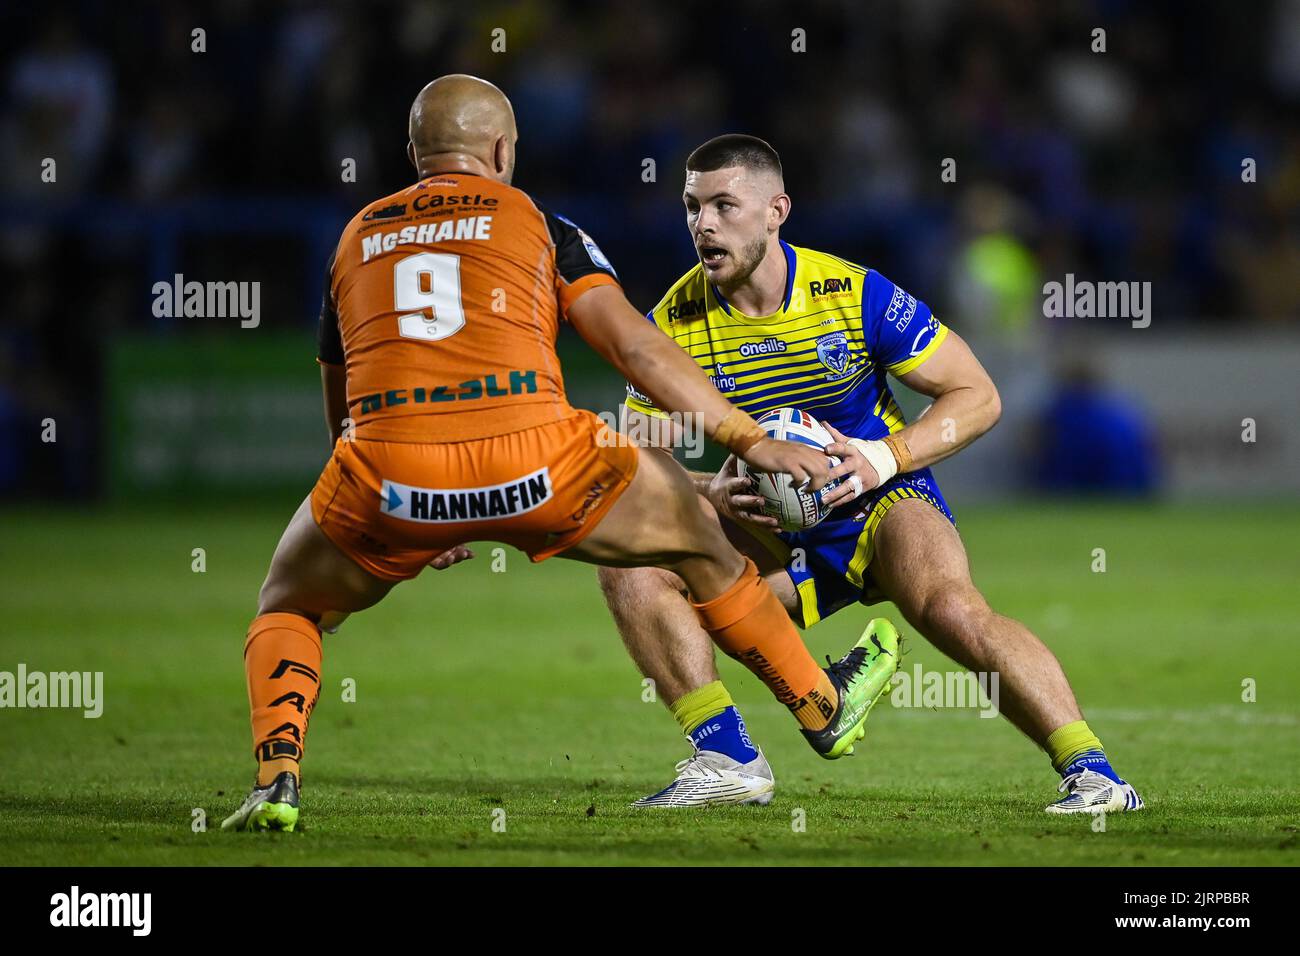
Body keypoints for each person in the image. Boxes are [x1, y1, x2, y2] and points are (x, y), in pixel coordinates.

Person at [222, 80, 896, 832]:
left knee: (287, 603)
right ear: (503, 151)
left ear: (414, 155)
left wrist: (397, 506)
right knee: (700, 540)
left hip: (388, 471)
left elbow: (339, 382)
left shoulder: (354, 236)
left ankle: (275, 779)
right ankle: (819, 704)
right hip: (539, 460)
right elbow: (634, 345)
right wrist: (749, 438)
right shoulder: (538, 222)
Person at [599, 134, 1144, 814]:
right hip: (770, 529)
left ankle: (1096, 775)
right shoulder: (674, 323)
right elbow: (634, 455)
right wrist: (709, 488)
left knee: (950, 608)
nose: (703, 224)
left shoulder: (851, 294)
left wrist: (880, 457)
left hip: (883, 501)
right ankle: (732, 756)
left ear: (776, 211)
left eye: (724, 205)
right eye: (691, 207)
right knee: (631, 560)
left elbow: (978, 396)